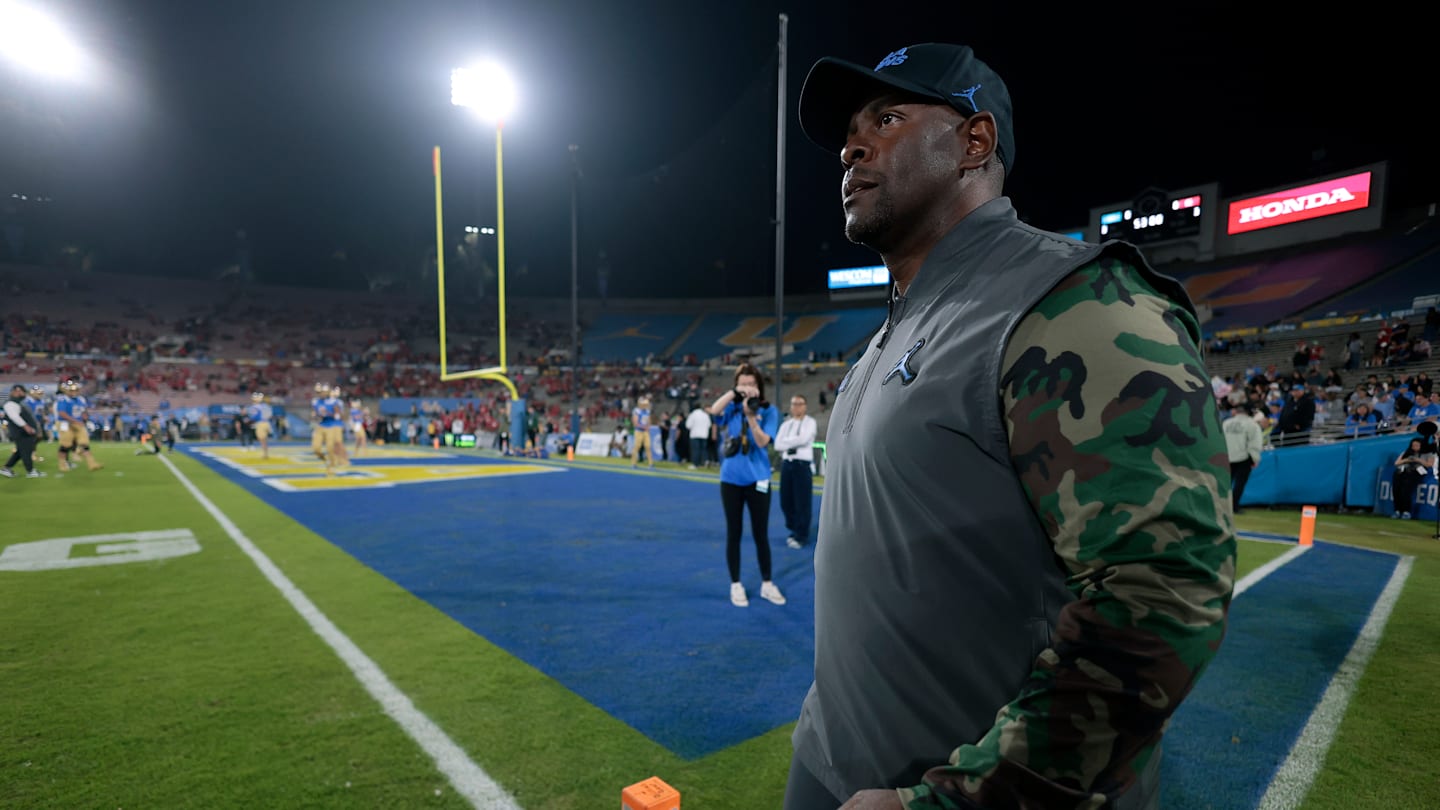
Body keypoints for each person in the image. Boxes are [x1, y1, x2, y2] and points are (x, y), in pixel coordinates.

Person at [785, 42, 1236, 809]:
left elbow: (1164, 590)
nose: (851, 147)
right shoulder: (884, 339)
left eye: (886, 119)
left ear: (975, 142)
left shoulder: (1072, 301)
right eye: (847, 135)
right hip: (833, 758)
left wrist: (962, 799)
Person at [706, 362, 786, 608]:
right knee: (734, 532)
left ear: (759, 386)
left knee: (761, 534)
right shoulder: (731, 407)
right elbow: (713, 412)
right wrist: (735, 393)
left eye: (752, 384)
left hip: (759, 479)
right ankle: (736, 583)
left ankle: (767, 583)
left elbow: (763, 443)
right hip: (730, 479)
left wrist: (751, 417)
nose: (748, 388)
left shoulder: (770, 411)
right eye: (743, 383)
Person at [774, 394, 818, 548]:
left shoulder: (810, 422)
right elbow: (777, 445)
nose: (797, 406)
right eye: (794, 404)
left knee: (802, 502)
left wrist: (787, 442)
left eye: (800, 403)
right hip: (787, 465)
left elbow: (804, 439)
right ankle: (794, 528)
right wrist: (791, 442)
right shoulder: (786, 425)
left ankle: (802, 535)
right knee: (786, 501)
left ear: (805, 406)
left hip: (802, 465)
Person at [1223, 408, 1265, 513]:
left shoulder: (1226, 423)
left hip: (1227, 456)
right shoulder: (1252, 424)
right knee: (1239, 484)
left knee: (1225, 483)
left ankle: (1222, 506)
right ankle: (1234, 506)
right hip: (1244, 457)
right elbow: (1255, 442)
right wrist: (1254, 458)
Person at [1, 385, 45, 478]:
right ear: (13, 392)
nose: (21, 393)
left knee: (21, 451)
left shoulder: (19, 402)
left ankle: (6, 468)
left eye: (22, 391)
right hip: (20, 432)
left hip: (23, 431)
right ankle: (30, 471)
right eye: (18, 391)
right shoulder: (10, 403)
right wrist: (26, 427)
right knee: (26, 451)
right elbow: (15, 417)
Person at [1391, 437, 1430, 519]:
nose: (1414, 447)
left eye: (1417, 445)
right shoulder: (1406, 452)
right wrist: (1407, 460)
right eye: (1413, 445)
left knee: (1406, 489)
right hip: (1403, 471)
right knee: (1396, 488)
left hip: (1416, 472)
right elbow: (1397, 463)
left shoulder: (1427, 454)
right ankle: (1397, 510)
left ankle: (1406, 511)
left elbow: (1429, 464)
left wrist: (1418, 460)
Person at [685, 402, 713, 469]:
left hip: (695, 435)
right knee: (703, 450)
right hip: (704, 435)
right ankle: (705, 461)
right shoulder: (705, 415)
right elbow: (709, 425)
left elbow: (688, 425)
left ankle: (695, 464)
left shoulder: (693, 414)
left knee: (695, 450)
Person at [249, 391, 275, 459]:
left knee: (262, 440)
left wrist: (251, 419)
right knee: (264, 440)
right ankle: (266, 453)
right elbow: (270, 415)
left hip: (261, 423)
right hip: (266, 423)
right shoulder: (265, 406)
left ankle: (265, 454)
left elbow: (254, 416)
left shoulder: (255, 406)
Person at [631, 395, 654, 468]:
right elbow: (635, 423)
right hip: (639, 431)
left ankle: (650, 463)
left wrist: (648, 426)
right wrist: (644, 427)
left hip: (645, 431)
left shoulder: (647, 411)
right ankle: (634, 463)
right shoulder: (637, 411)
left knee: (648, 446)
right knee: (637, 446)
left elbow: (649, 420)